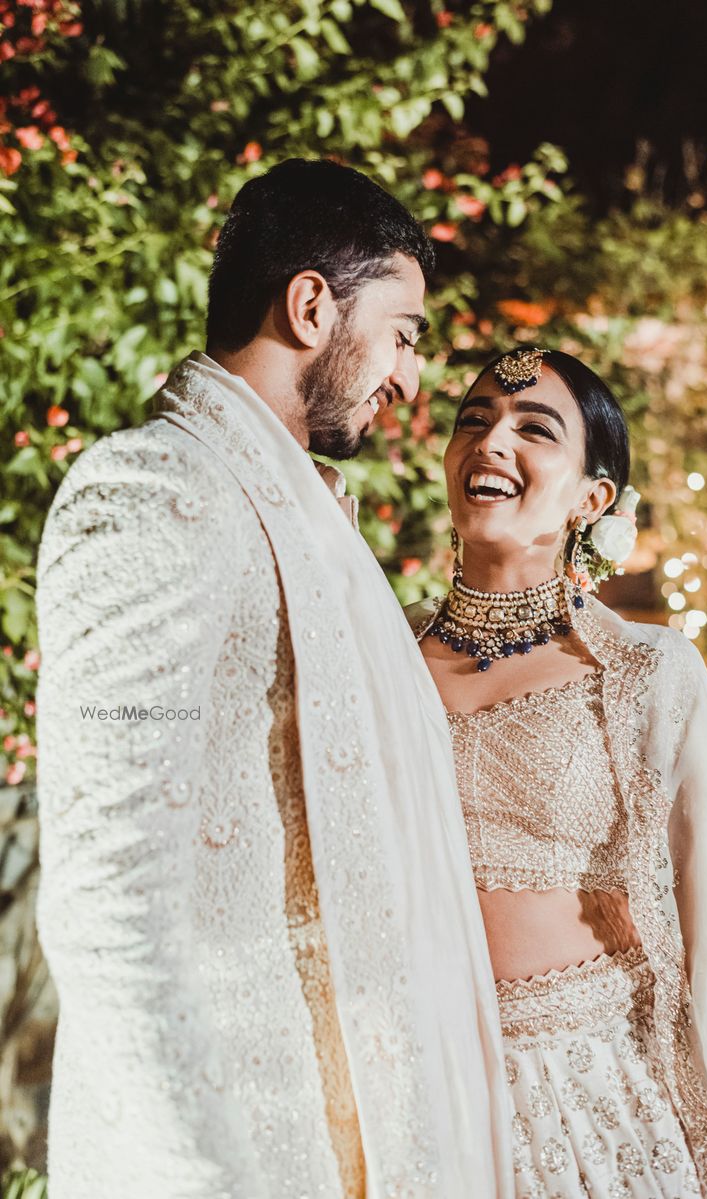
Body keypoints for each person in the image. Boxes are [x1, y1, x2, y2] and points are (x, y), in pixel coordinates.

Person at [34, 159, 514, 1199]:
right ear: (309, 306)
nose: (408, 378)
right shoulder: (156, 491)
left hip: (347, 1134)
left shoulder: (307, 519)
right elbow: (110, 893)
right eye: (401, 333)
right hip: (231, 1150)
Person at [407, 345, 707, 1199]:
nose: (491, 441)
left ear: (594, 498)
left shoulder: (647, 671)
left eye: (533, 428)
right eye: (473, 421)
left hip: (593, 1097)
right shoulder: (381, 658)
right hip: (421, 1092)